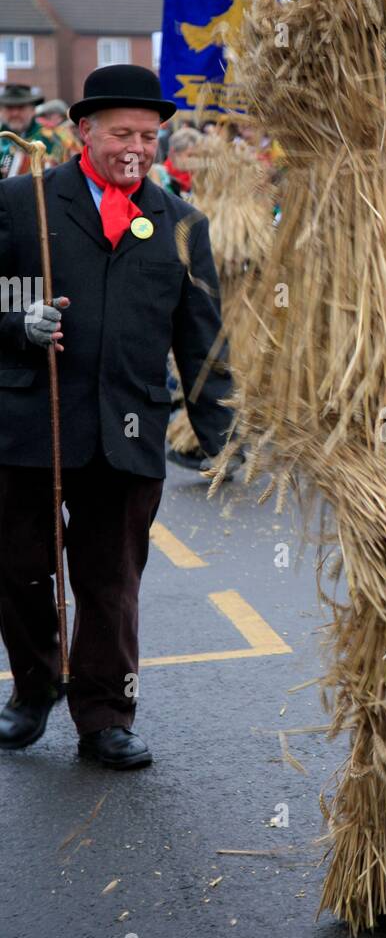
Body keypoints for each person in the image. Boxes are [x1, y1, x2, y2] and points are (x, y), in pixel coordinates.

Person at [0, 65, 238, 769]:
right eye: (121, 132)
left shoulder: (181, 224)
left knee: (110, 581)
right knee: (17, 570)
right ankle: (35, 687)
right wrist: (19, 322)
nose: (137, 146)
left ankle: (106, 715)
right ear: (84, 133)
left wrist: (221, 438)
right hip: (29, 425)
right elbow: (2, 297)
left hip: (128, 428)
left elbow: (203, 339)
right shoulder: (24, 206)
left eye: (148, 134)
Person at [0, 83, 62, 179]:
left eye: (21, 107)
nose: (15, 113)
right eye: (9, 108)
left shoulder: (55, 137)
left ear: (33, 110)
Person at [151, 125, 204, 199]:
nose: (195, 160)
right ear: (173, 153)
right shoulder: (159, 175)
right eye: (190, 155)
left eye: (198, 156)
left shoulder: (200, 177)